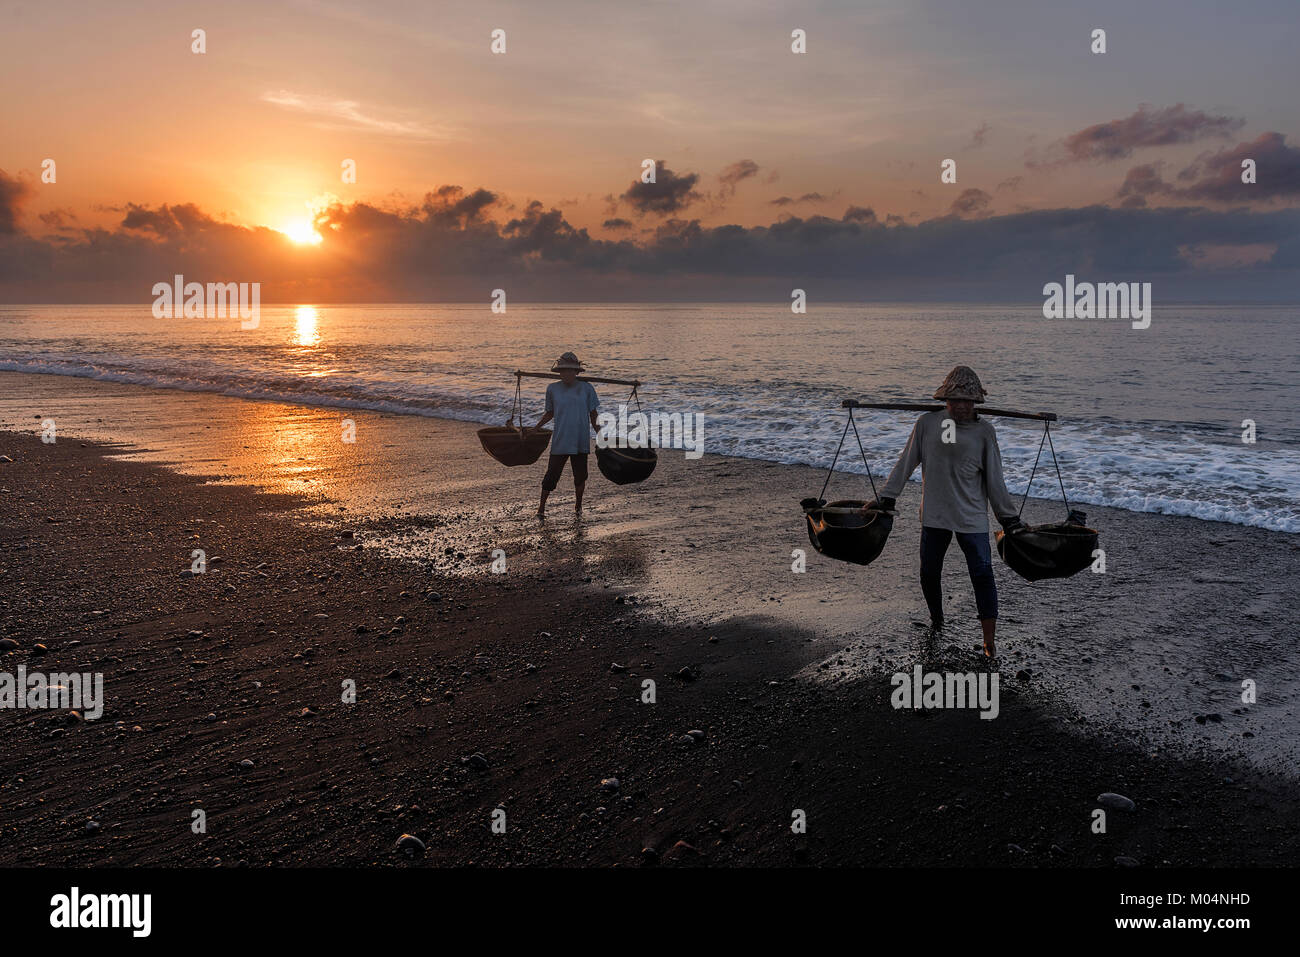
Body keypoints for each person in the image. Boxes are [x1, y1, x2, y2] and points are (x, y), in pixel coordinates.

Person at [866, 366, 1025, 658]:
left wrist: (1009, 518)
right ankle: (936, 619)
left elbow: (995, 479)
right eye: (955, 400)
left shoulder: (984, 432)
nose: (961, 406)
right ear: (945, 400)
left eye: (967, 401)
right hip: (935, 514)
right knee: (929, 572)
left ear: (976, 402)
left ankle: (989, 641)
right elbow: (906, 462)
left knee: (982, 574)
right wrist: (887, 498)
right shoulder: (926, 424)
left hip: (971, 517)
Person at [534, 352, 600, 520]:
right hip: (560, 440)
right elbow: (549, 413)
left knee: (580, 476)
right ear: (559, 372)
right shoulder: (552, 389)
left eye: (570, 370)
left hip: (580, 440)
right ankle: (541, 508)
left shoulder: (587, 388)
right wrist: (535, 428)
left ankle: (578, 505)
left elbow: (593, 414)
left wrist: (600, 434)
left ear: (576, 372)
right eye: (563, 370)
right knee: (551, 475)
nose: (567, 374)